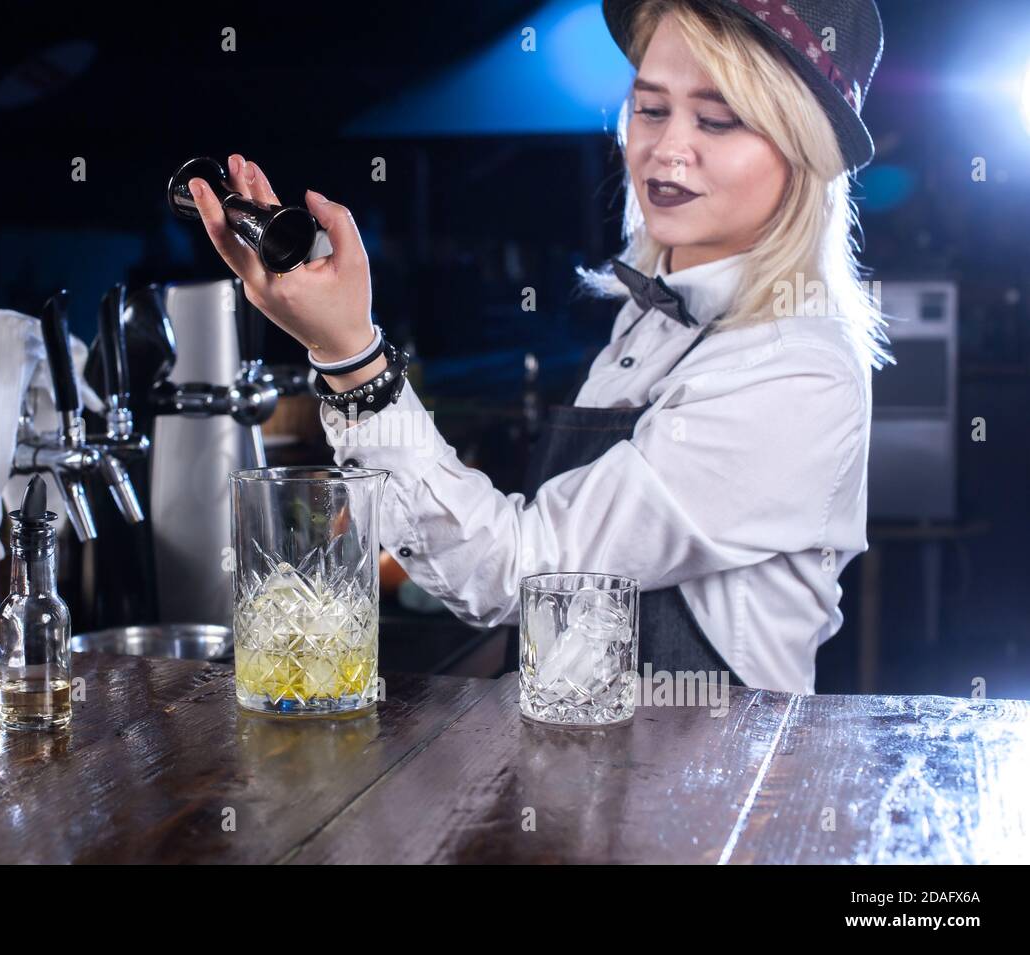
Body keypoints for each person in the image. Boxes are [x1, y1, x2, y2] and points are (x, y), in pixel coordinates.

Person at [187, 0, 889, 694]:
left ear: (802, 154)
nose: (668, 148)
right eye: (649, 108)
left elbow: (527, 573)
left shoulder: (796, 372)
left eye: (716, 119)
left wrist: (353, 357)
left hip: (709, 790)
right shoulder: (657, 317)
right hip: (593, 770)